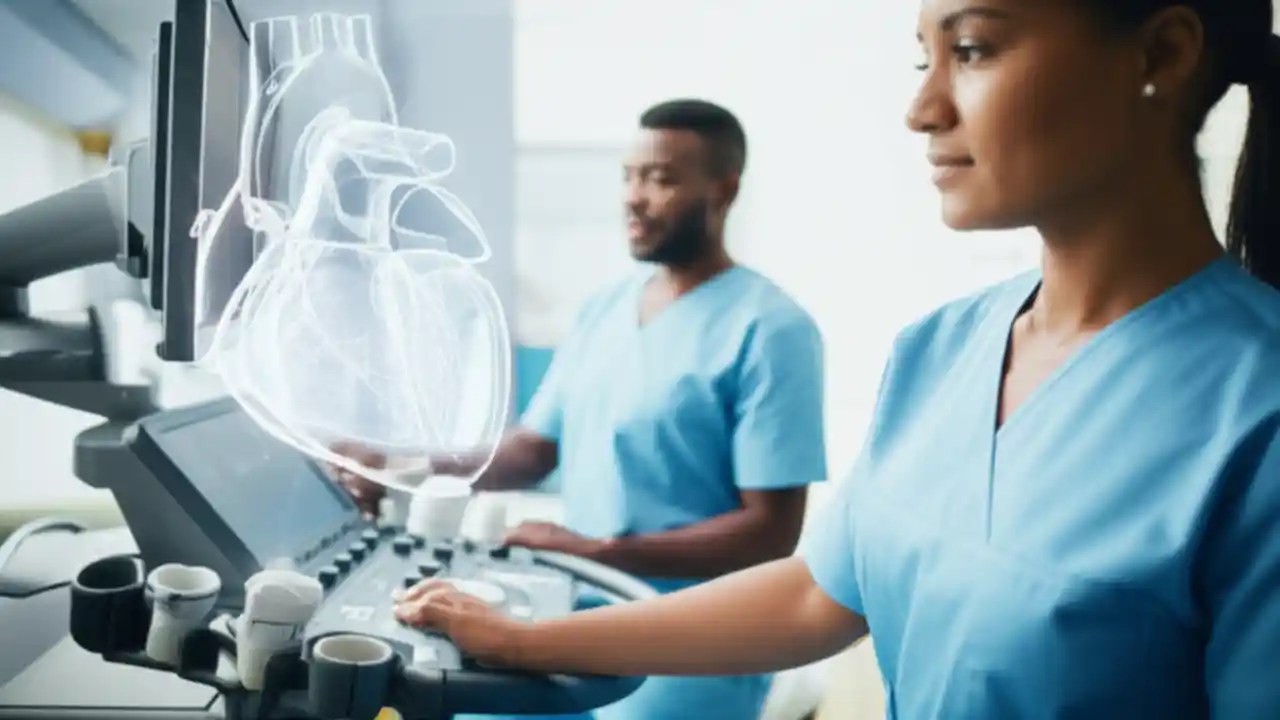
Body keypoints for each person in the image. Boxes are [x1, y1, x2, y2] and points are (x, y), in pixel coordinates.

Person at [390, 1, 1280, 717]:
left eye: (971, 49)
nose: (922, 107)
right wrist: (521, 638)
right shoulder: (941, 350)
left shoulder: (1256, 411)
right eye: (920, 57)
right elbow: (818, 597)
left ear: (1159, 54)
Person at [336, 99, 829, 720]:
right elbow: (532, 451)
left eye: (662, 178)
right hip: (577, 612)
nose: (634, 196)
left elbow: (770, 534)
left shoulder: (772, 329)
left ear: (724, 190)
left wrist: (597, 551)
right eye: (629, 176)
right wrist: (396, 460)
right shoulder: (605, 308)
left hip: (692, 646)